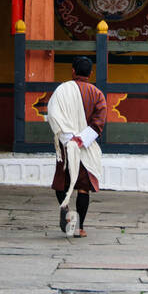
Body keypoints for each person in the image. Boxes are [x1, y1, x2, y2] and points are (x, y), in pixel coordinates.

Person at [47, 56, 106, 238]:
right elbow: (99, 122)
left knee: (61, 183)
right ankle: (80, 227)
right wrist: (81, 140)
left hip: (66, 145)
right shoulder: (97, 94)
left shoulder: (62, 90)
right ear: (90, 73)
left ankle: (65, 210)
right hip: (85, 146)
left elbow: (53, 114)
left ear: (73, 70)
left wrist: (68, 138)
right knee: (83, 187)